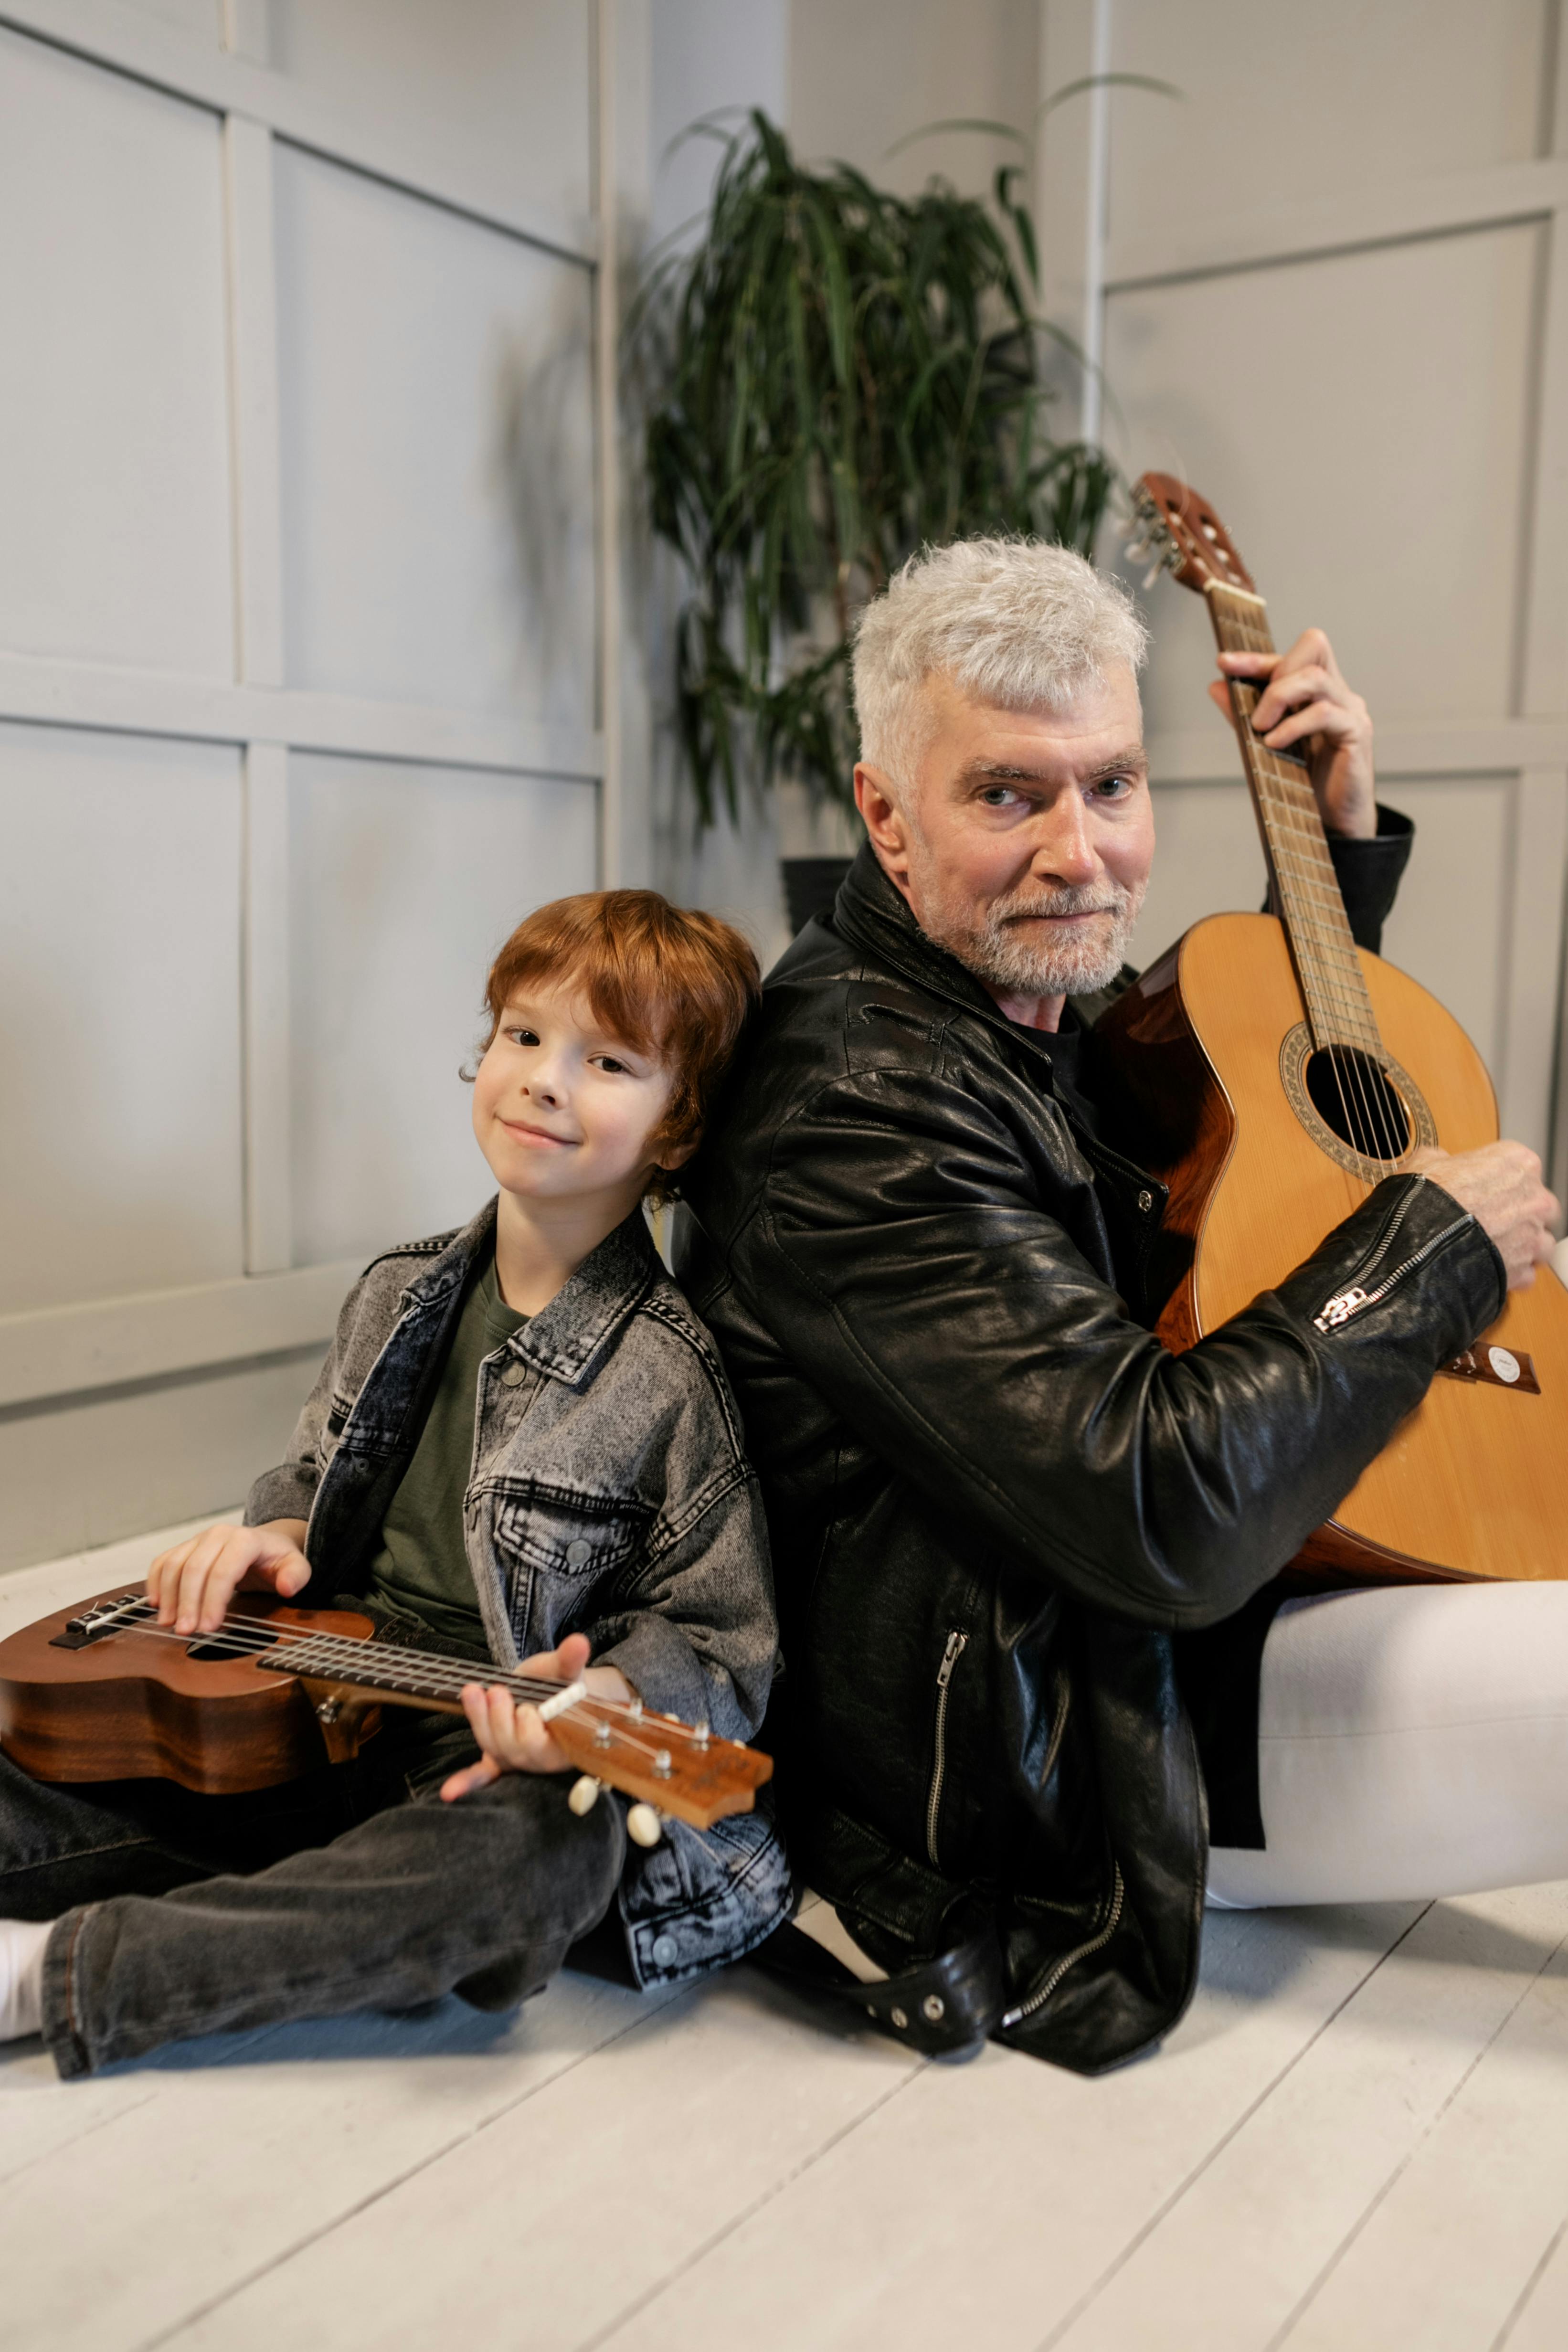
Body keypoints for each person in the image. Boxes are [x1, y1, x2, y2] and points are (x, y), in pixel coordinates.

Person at [679, 538, 1561, 2073]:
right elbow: (1154, 1504)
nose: (1078, 852)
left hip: (1179, 1598)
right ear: (885, 814)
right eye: (1006, 794)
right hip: (1058, 1727)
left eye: (1113, 786)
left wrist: (1333, 855)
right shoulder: (854, 1105)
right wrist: (1432, 1247)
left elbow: (1208, 1114)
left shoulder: (1007, 989)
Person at [0, 891, 790, 2077]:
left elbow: (725, 1641)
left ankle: (54, 1977)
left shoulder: (667, 1373)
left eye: (607, 1060)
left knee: (543, 1856)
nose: (542, 1080)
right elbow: (318, 1467)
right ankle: (301, 1896)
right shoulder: (398, 1291)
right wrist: (270, 1530)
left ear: (676, 1127)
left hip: (473, 1759)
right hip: (302, 1716)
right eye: (523, 1036)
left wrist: (612, 1693)